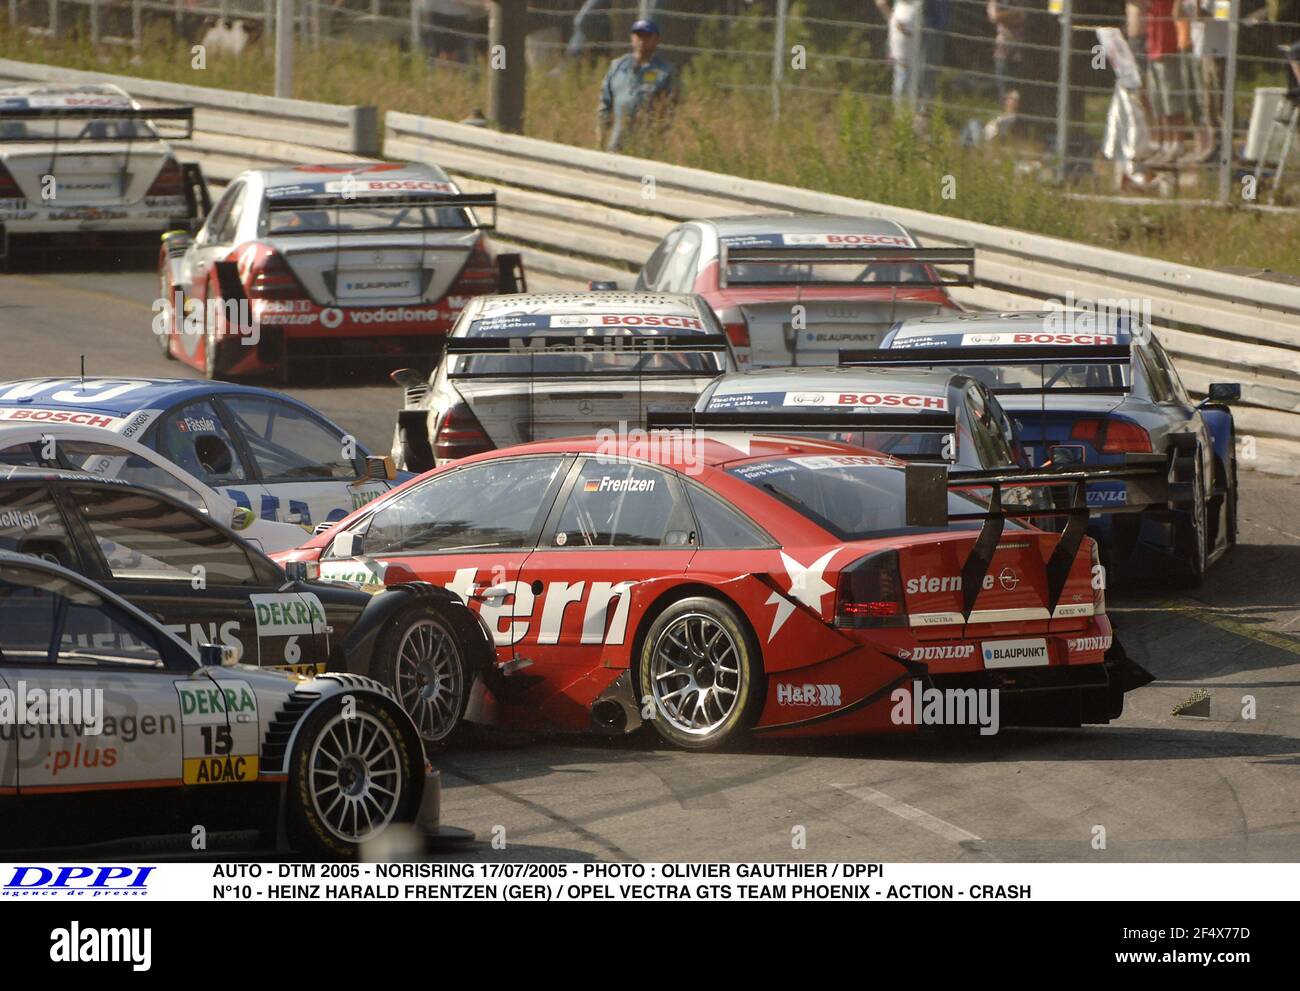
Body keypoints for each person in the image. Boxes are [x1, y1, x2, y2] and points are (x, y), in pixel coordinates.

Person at [596, 18, 678, 152]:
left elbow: (670, 110)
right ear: (632, 38)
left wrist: (661, 141)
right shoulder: (618, 66)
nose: (642, 40)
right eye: (638, 35)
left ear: (656, 40)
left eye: (647, 36)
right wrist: (601, 135)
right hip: (617, 142)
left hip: (646, 146)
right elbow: (605, 103)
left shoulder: (665, 72)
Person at [876, 0, 919, 102]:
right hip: (897, 54)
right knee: (898, 87)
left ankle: (907, 113)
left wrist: (904, 30)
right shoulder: (899, 6)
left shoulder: (915, 8)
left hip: (909, 56)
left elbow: (914, 33)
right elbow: (893, 24)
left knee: (905, 87)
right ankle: (899, 114)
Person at [987, 0, 1025, 100]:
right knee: (1004, 93)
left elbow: (1021, 16)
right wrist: (1006, 15)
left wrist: (1000, 16)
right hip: (1002, 51)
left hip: (1021, 52)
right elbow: (993, 16)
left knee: (1018, 94)